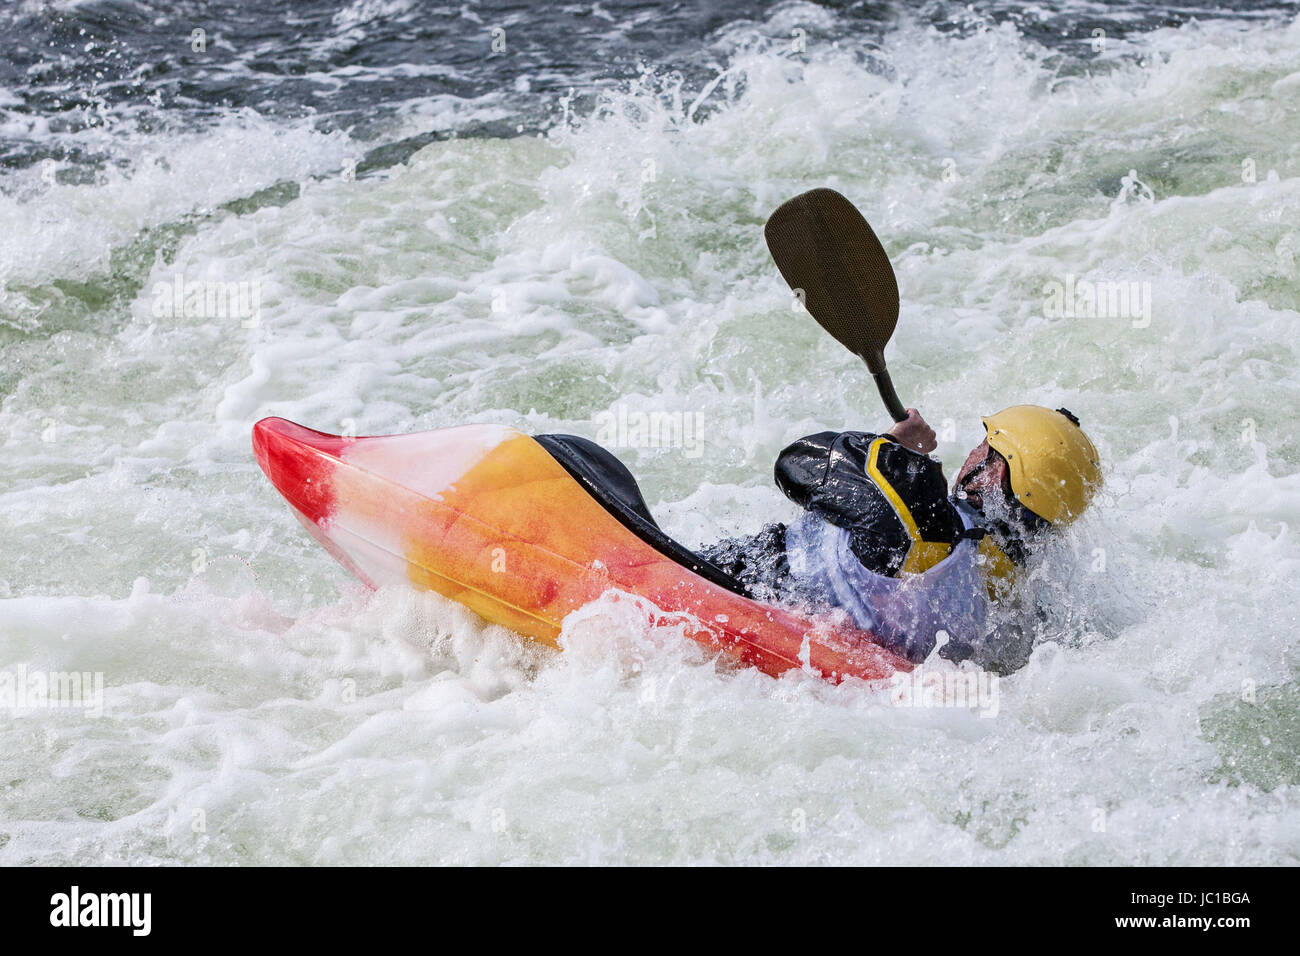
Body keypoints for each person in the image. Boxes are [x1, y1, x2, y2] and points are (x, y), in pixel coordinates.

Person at [697, 405, 1102, 674]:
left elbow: (796, 463)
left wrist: (889, 451)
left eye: (986, 446)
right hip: (847, 660)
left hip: (755, 583)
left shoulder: (924, 516)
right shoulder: (1029, 599)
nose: (974, 453)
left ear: (998, 472)